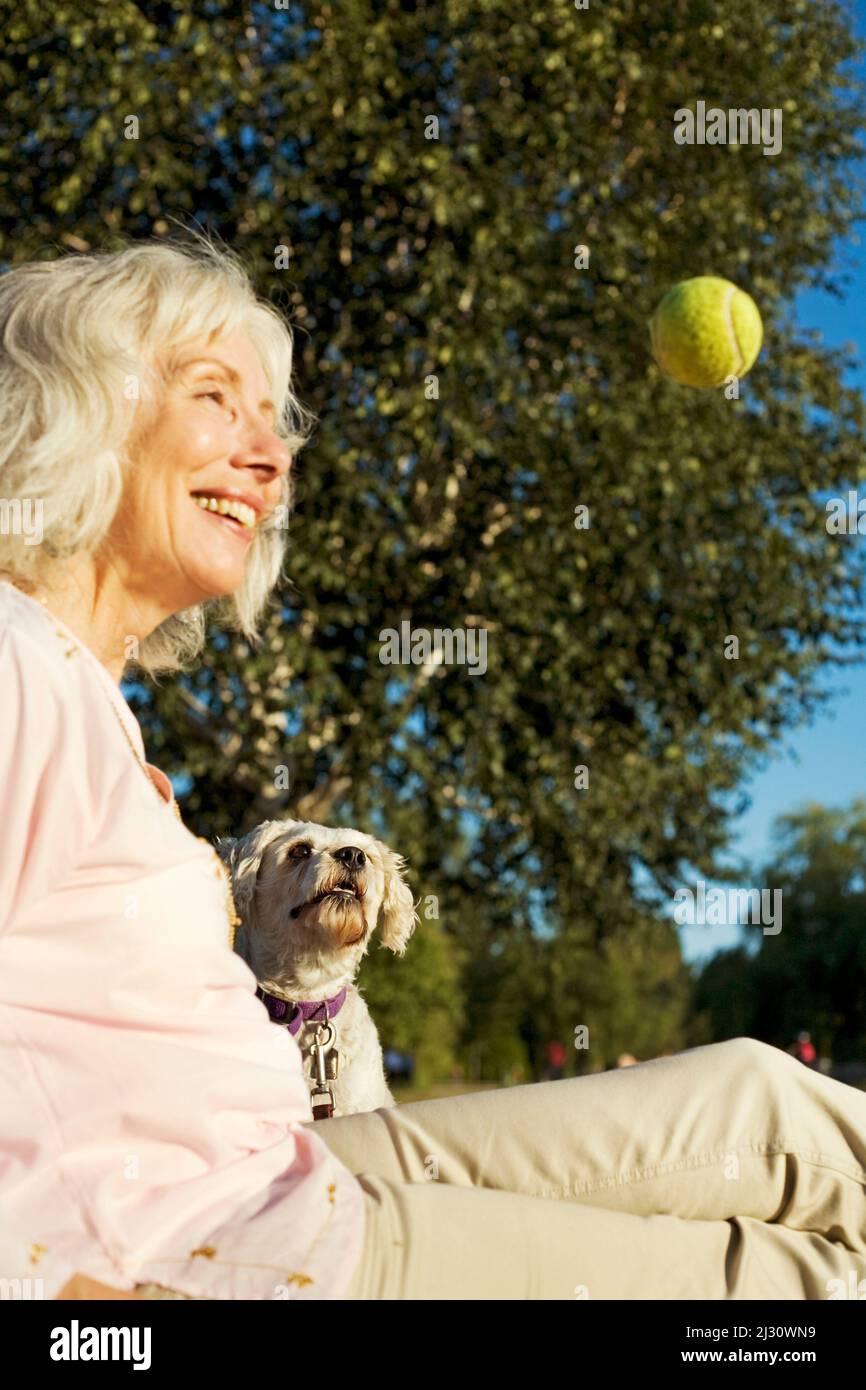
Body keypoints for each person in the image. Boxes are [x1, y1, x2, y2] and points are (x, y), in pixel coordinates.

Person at [2, 240, 866, 1302]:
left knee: (762, 1101)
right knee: (799, 1284)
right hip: (211, 1246)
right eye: (214, 397)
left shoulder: (78, 687)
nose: (268, 454)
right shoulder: (13, 665)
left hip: (272, 1167)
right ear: (74, 407)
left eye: (270, 417)